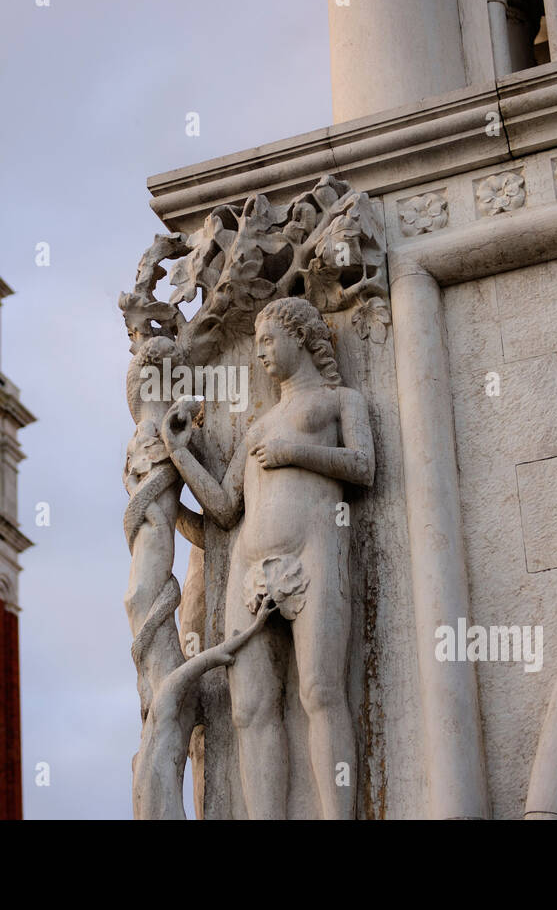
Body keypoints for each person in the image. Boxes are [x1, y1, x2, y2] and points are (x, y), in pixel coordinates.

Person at [161, 297, 374, 819]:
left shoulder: (339, 401)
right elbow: (225, 508)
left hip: (314, 554)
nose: (260, 354)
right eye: (254, 345)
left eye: (267, 340)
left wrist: (295, 454)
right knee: (250, 709)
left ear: (299, 338)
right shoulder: (258, 426)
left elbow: (364, 466)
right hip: (249, 571)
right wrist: (180, 452)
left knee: (321, 691)